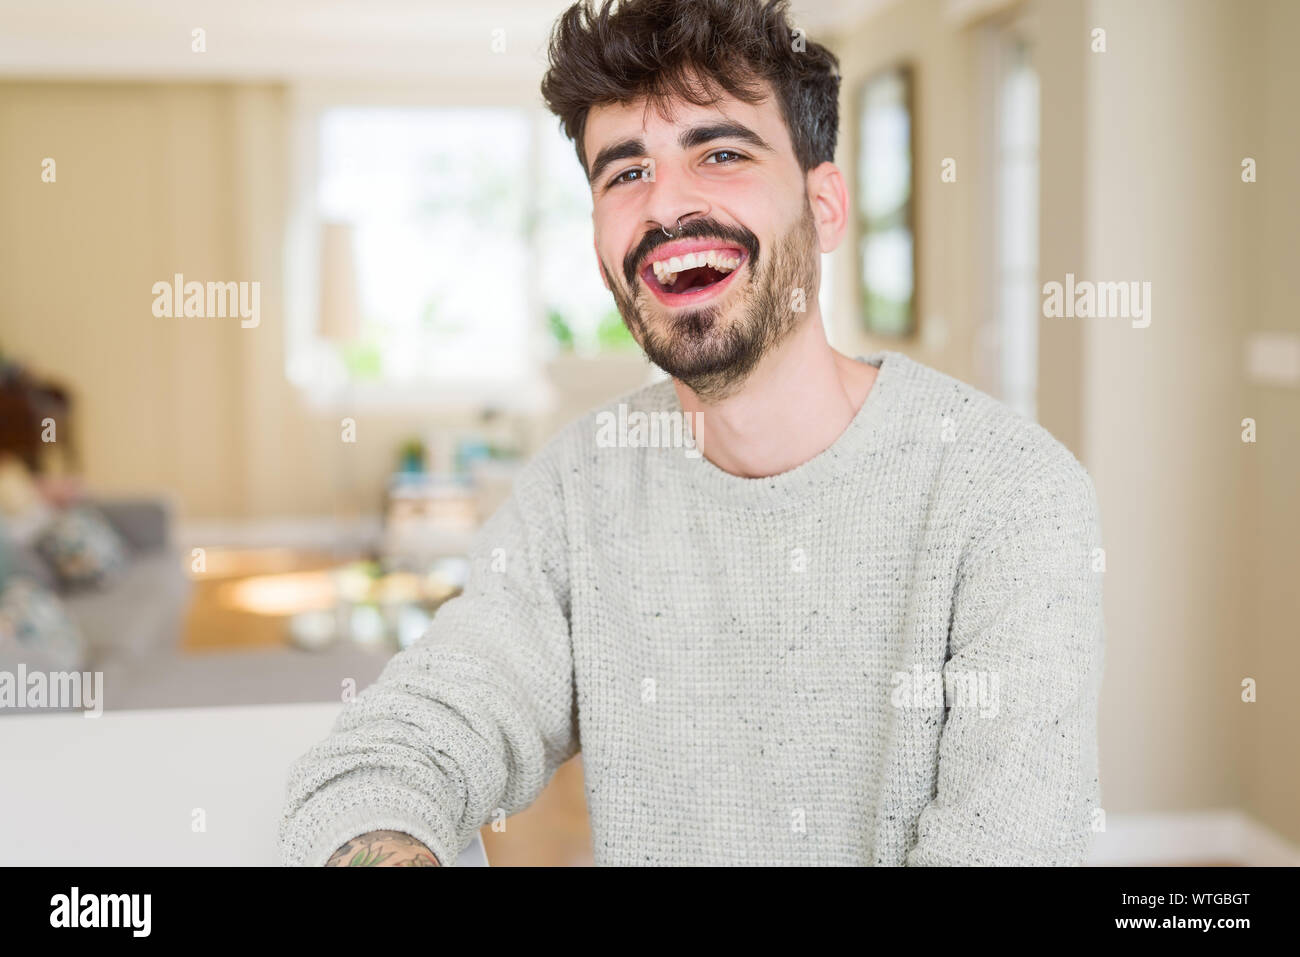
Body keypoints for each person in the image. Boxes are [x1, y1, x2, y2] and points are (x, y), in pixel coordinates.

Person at [279, 0, 1105, 867]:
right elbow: (404, 745)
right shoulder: (577, 489)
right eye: (624, 172)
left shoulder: (1012, 495)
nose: (667, 205)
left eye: (720, 153)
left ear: (824, 208)